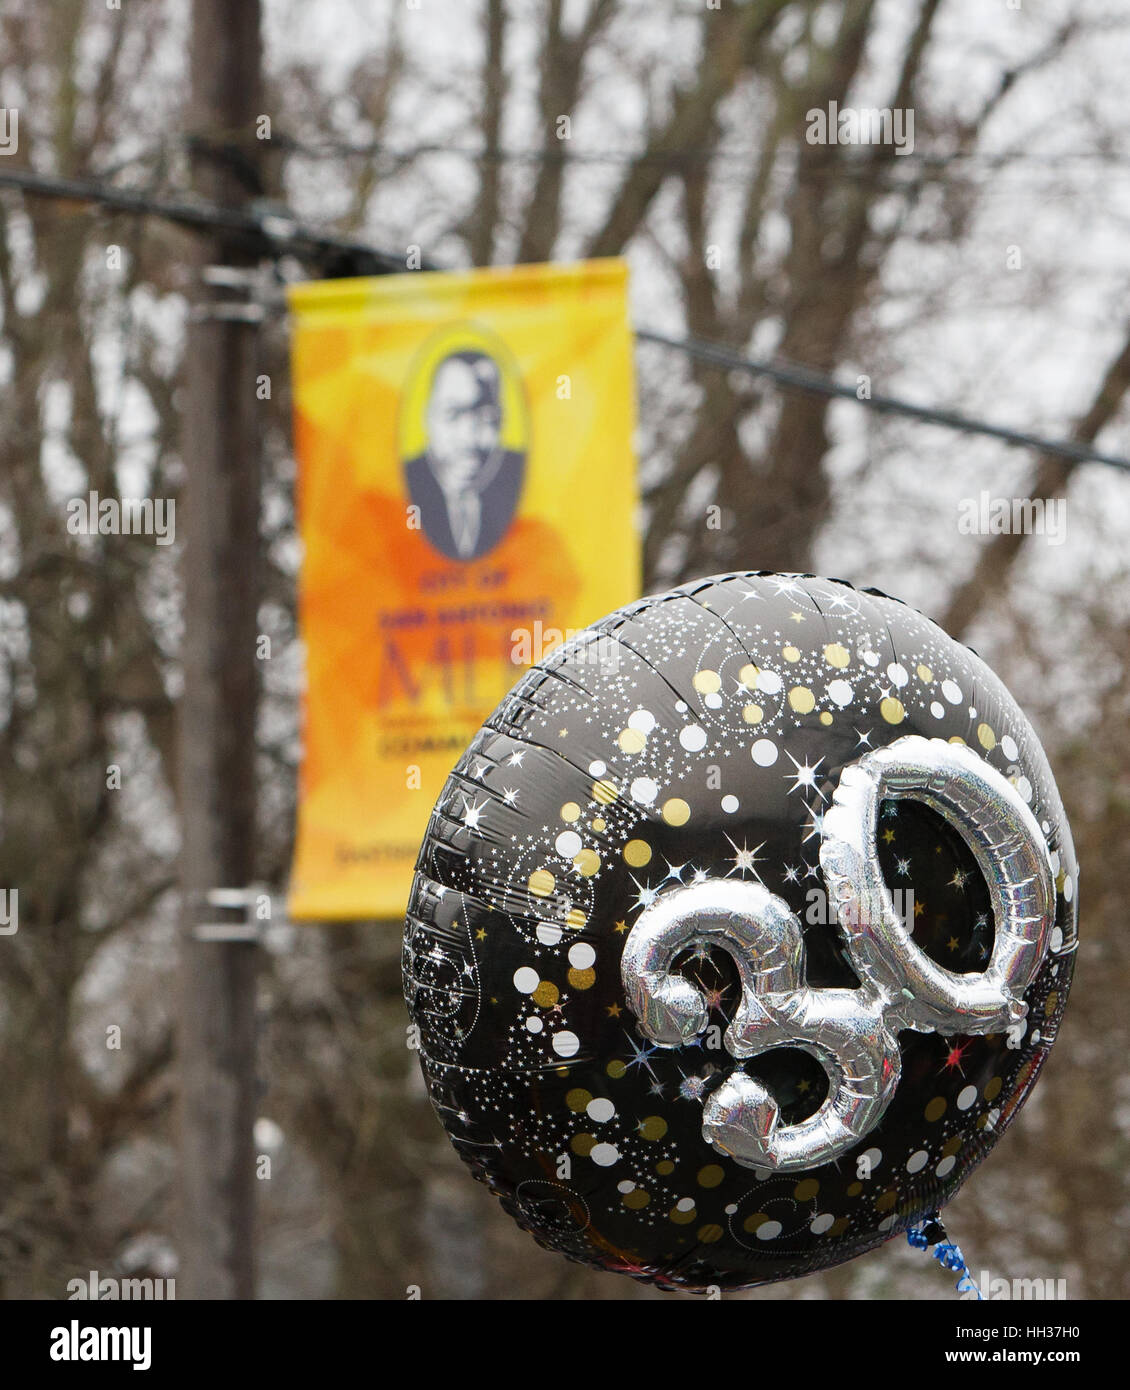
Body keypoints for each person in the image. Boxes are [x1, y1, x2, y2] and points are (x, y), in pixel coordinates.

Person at [404, 349, 525, 561]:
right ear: (427, 418)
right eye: (453, 414)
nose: (467, 438)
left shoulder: (518, 477)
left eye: (486, 416)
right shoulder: (404, 484)